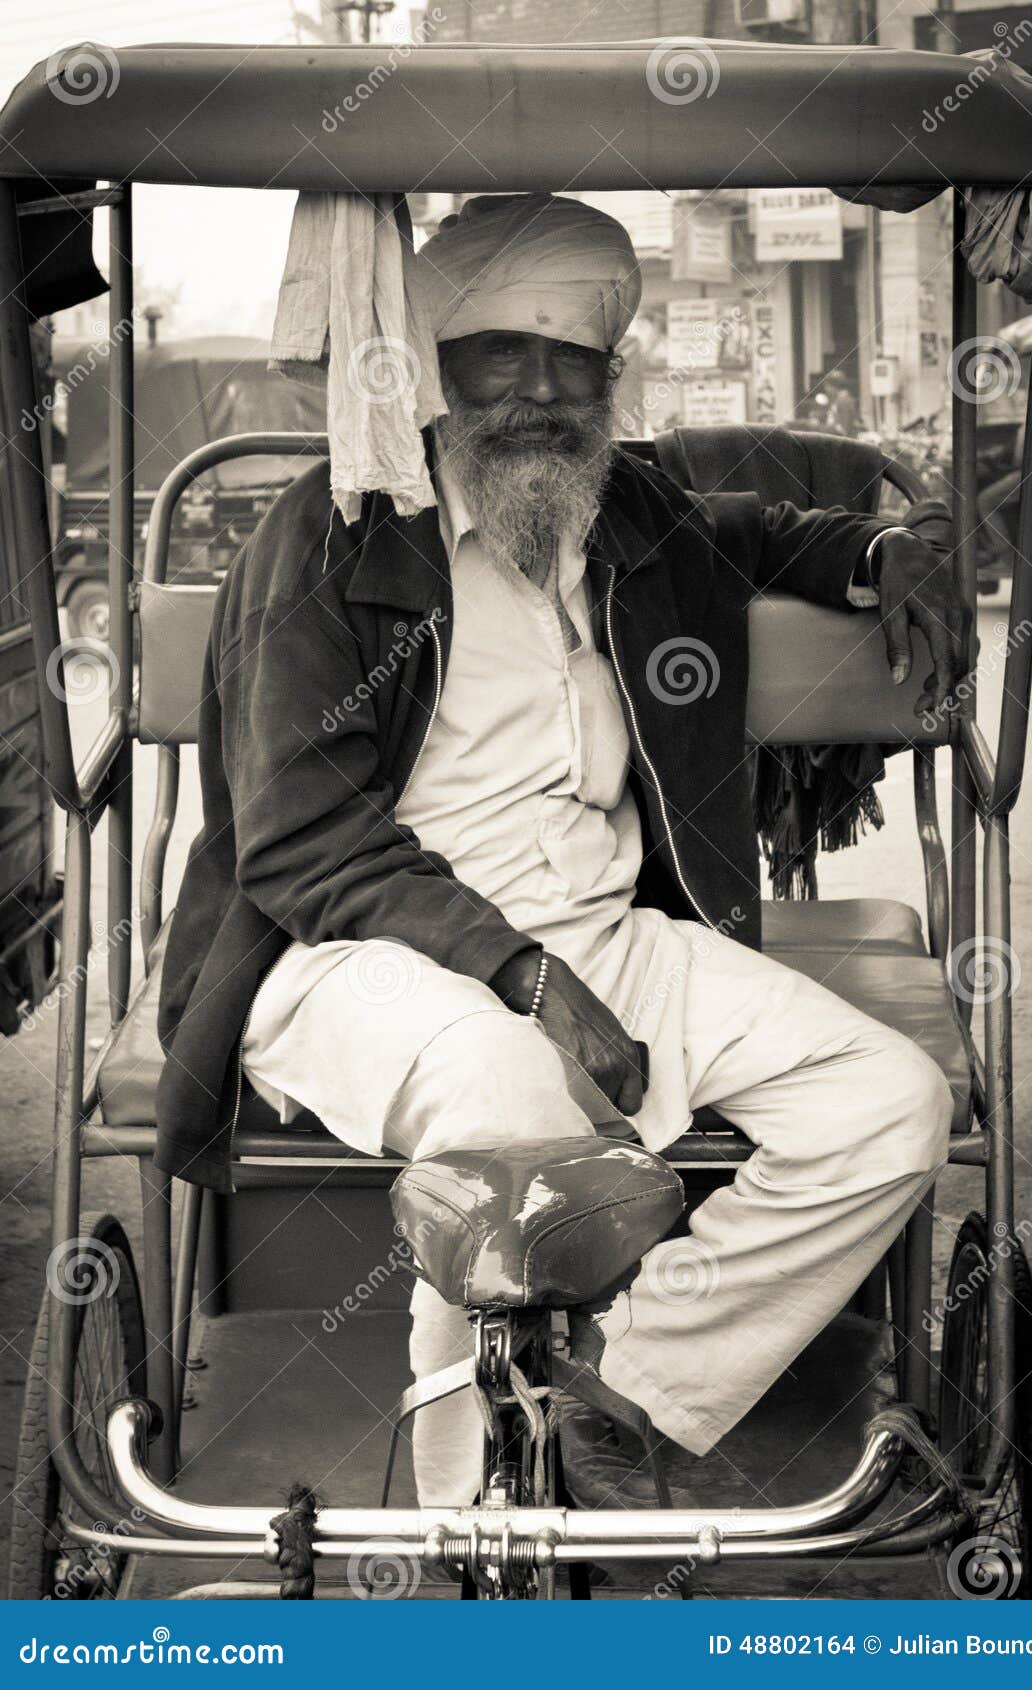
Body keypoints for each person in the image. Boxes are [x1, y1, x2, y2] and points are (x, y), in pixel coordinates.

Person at [155, 193, 967, 1512]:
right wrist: (519, 975)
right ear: (435, 366)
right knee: (505, 1090)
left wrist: (884, 550)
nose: (535, 393)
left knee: (890, 1105)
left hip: (609, 936)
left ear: (608, 379)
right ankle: (478, 1522)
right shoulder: (329, 531)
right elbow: (300, 840)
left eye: (569, 361)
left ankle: (627, 1392)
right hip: (353, 954)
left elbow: (759, 530)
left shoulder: (630, 504)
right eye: (498, 356)